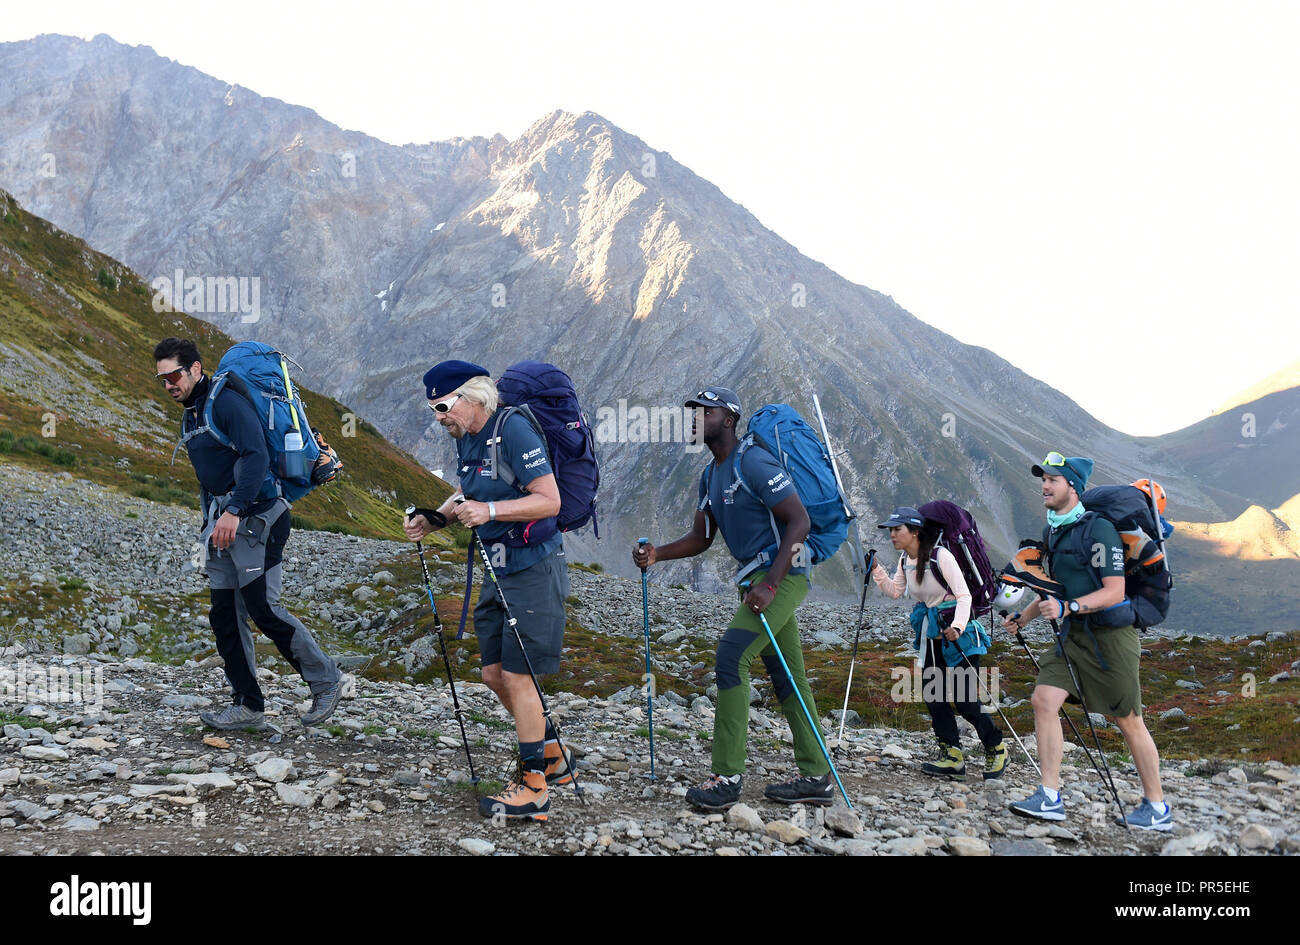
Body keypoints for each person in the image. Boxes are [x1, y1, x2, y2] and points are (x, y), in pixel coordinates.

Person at [632, 386, 832, 811]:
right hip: (757, 580)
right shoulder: (710, 475)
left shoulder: (753, 461)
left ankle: (727, 777)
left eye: (704, 411)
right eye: (693, 411)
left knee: (731, 658)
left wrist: (772, 583)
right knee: (787, 676)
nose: (695, 417)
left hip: (784, 572)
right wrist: (657, 554)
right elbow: (702, 538)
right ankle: (816, 775)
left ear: (728, 419)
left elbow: (799, 522)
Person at [404, 360, 572, 822]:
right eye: (433, 408)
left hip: (534, 568)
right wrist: (436, 517)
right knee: (495, 674)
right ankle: (553, 755)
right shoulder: (469, 437)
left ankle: (533, 787)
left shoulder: (512, 430)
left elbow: (549, 500)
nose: (438, 416)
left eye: (442, 406)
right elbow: (468, 488)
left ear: (471, 396)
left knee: (520, 677)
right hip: (497, 568)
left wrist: (492, 511)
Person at [153, 337, 341, 730]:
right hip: (224, 522)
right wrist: (212, 519)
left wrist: (235, 511)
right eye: (163, 378)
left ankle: (325, 680)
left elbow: (255, 454)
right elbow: (213, 471)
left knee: (263, 608)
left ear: (196, 369)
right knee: (224, 614)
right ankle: (248, 704)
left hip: (260, 517)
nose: (169, 383)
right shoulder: (193, 410)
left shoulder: (225, 401)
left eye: (175, 374)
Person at [1003, 452, 1171, 830]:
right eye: (1043, 479)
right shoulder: (1054, 531)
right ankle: (1049, 796)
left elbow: (1113, 591)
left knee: (1127, 720)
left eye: (1053, 480)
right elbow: (1057, 587)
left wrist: (1070, 607)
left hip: (1110, 639)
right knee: (1044, 700)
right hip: (1073, 634)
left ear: (1073, 487)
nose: (1044, 486)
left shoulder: (1099, 531)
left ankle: (1157, 808)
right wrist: (1025, 617)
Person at [872, 506, 1008, 779]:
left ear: (915, 532)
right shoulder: (904, 560)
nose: (892, 535)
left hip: (959, 638)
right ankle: (951, 754)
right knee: (934, 696)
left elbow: (964, 595)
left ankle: (996, 747)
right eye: (891, 530)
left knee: (966, 701)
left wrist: (957, 627)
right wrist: (876, 570)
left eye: (897, 530)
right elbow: (896, 591)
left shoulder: (940, 556)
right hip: (932, 635)